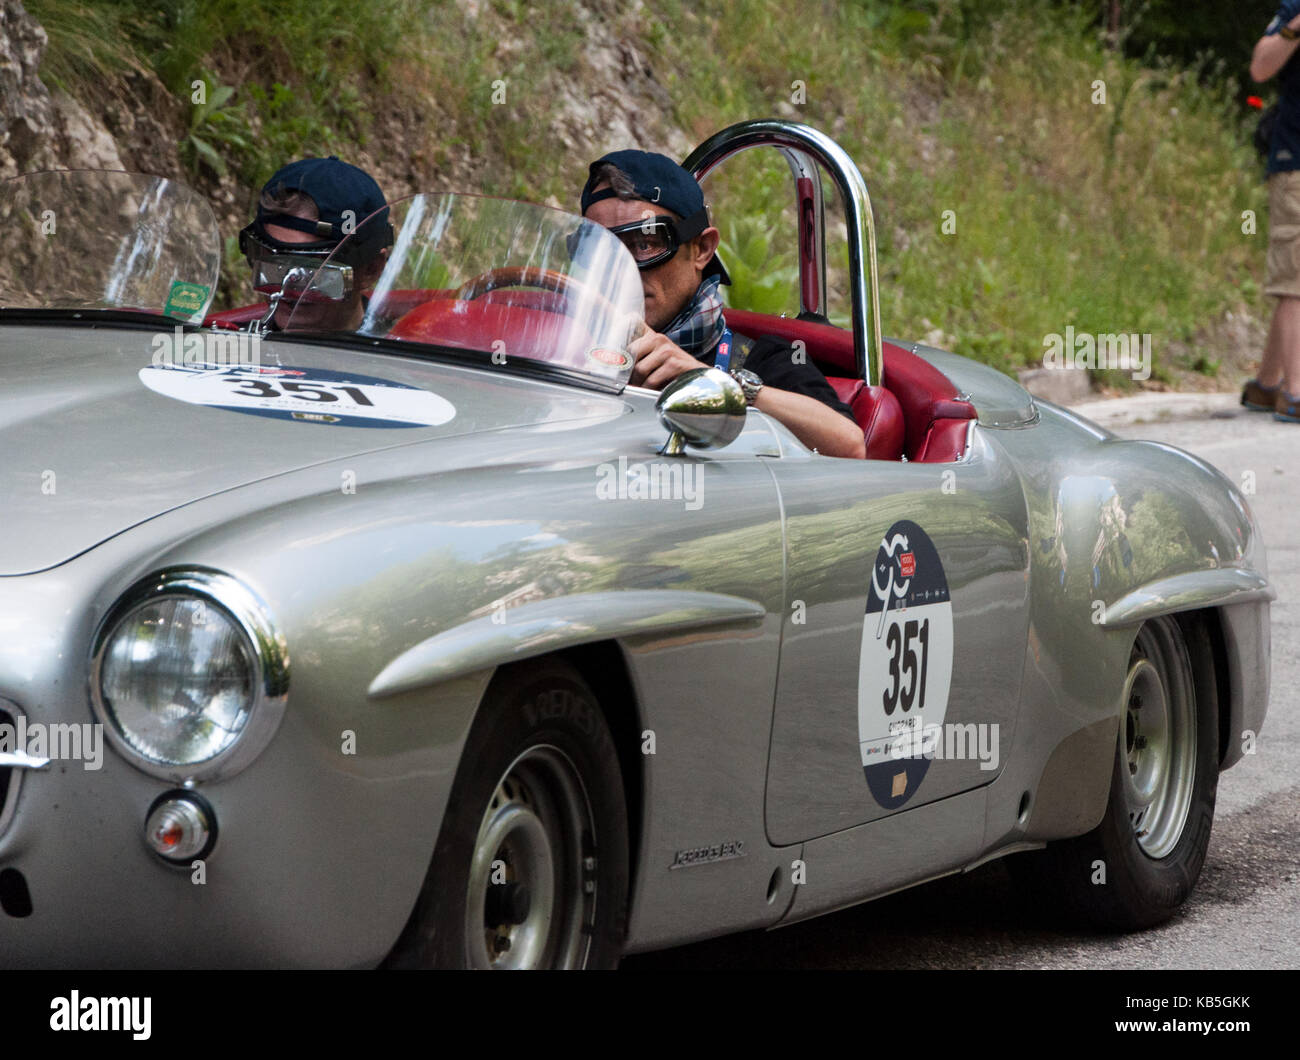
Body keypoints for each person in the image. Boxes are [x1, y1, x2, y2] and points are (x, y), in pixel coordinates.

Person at [579, 150, 867, 459]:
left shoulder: (762, 359)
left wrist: (714, 382)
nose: (621, 271)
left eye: (645, 245)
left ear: (701, 249)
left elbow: (849, 445)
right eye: (601, 250)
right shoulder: (569, 343)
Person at [238, 156, 392, 332]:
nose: (289, 282)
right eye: (273, 261)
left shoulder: (404, 355)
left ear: (371, 269)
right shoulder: (234, 350)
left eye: (311, 266)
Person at [1247, 5, 1300, 420]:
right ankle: (1295, 392)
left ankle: (1267, 385)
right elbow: (1260, 70)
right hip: (1296, 160)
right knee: (1294, 278)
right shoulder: (1294, 10)